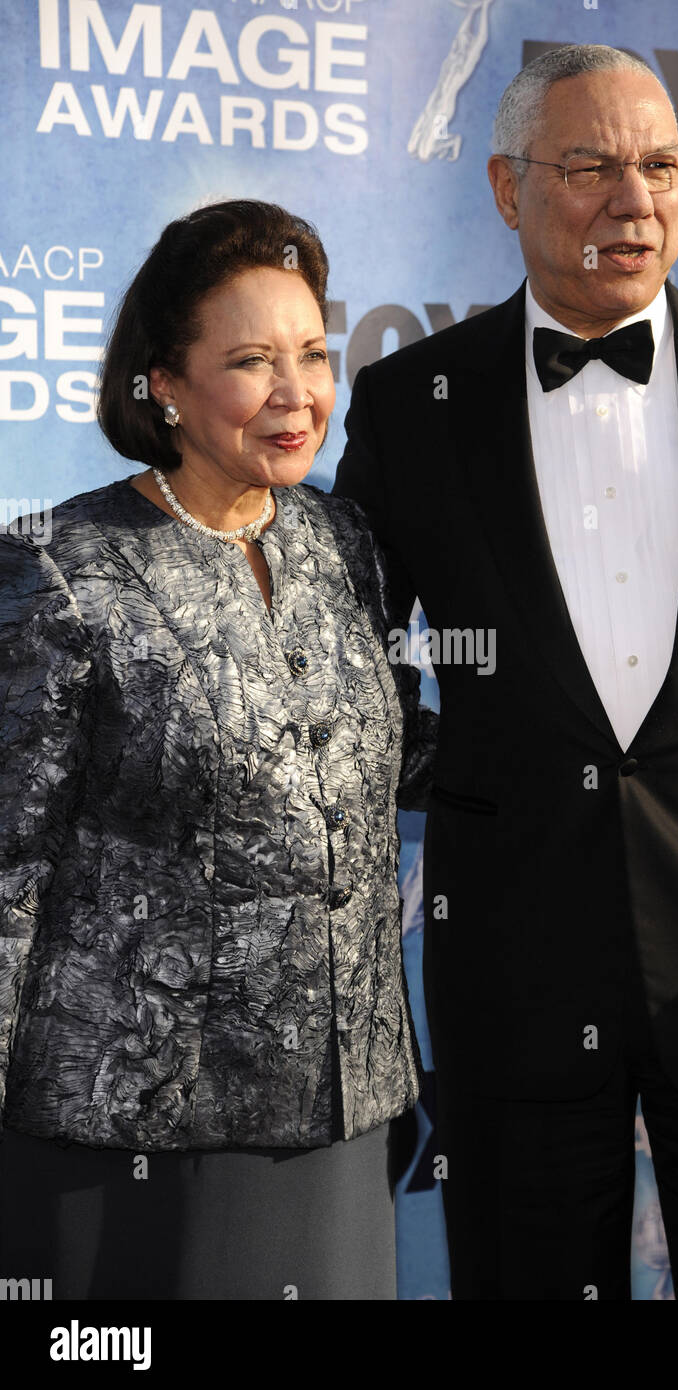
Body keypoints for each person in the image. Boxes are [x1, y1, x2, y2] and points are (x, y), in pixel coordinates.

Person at [334, 44, 678, 1299]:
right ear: (506, 188)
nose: (634, 201)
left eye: (661, 165)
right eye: (588, 166)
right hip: (514, 972)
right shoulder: (411, 403)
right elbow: (344, 673)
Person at [0, 199, 435, 1300]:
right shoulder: (65, 565)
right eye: (251, 361)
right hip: (131, 1134)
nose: (297, 394)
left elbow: (380, 763)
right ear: (165, 383)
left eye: (311, 355)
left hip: (342, 1116)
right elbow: (10, 867)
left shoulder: (345, 545)